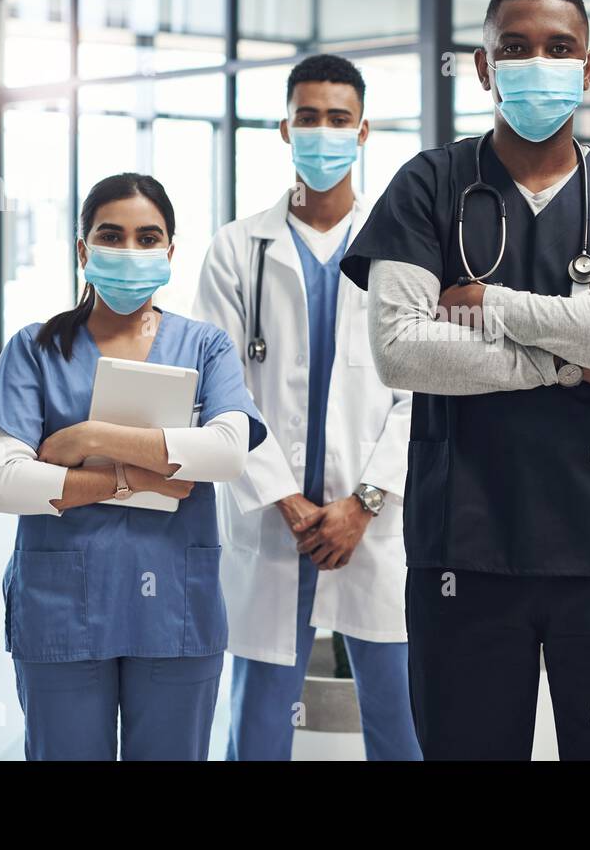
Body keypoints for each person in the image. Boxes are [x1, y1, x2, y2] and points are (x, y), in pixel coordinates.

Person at [340, 0, 590, 760]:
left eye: (558, 47)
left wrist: (498, 306)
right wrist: (572, 360)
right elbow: (400, 348)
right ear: (483, 66)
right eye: (514, 47)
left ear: (588, 65)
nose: (536, 62)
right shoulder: (428, 186)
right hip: (465, 553)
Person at [0, 172, 266, 761]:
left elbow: (228, 452)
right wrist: (136, 476)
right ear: (83, 250)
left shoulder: (205, 347)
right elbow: (6, 483)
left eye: (147, 237)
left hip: (175, 613)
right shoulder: (33, 349)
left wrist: (88, 436)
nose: (129, 252)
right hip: (62, 612)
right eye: (111, 236)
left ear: (169, 252)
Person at [193, 54, 420, 761]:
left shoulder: (405, 250)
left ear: (364, 131)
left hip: (373, 521)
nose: (324, 132)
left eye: (339, 119)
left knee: (401, 721)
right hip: (273, 522)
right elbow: (218, 389)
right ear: (284, 129)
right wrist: (283, 497)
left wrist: (366, 501)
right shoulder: (237, 250)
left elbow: (423, 391)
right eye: (310, 118)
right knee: (258, 727)